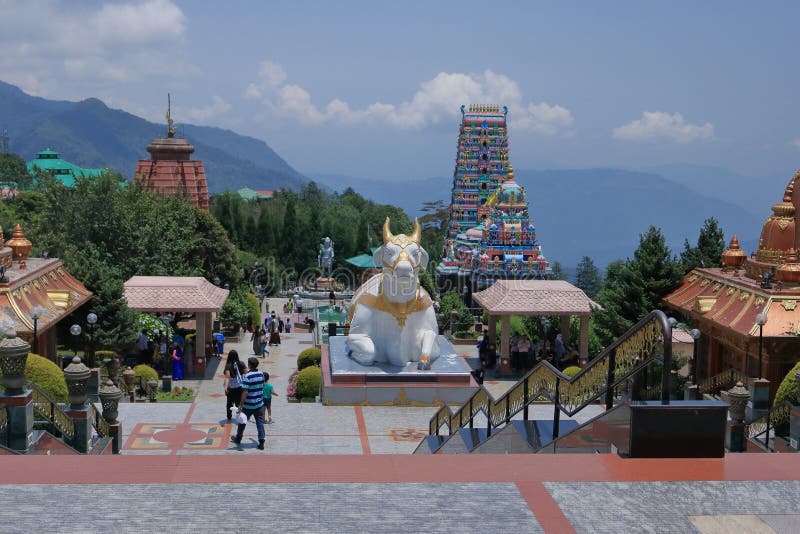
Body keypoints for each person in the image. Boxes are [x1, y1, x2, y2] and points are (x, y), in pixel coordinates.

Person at [232, 357, 266, 450]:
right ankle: (261, 441)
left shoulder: (247, 376)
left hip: (248, 405)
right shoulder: (261, 374)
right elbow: (262, 386)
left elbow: (245, 392)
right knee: (259, 423)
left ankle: (238, 438)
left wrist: (240, 405)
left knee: (242, 421)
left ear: (249, 365)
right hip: (259, 404)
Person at [223, 350, 246, 421]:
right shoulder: (241, 363)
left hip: (231, 388)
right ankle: (240, 415)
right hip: (240, 387)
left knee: (229, 403)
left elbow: (227, 377)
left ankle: (229, 416)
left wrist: (226, 387)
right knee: (239, 403)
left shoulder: (228, 365)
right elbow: (247, 372)